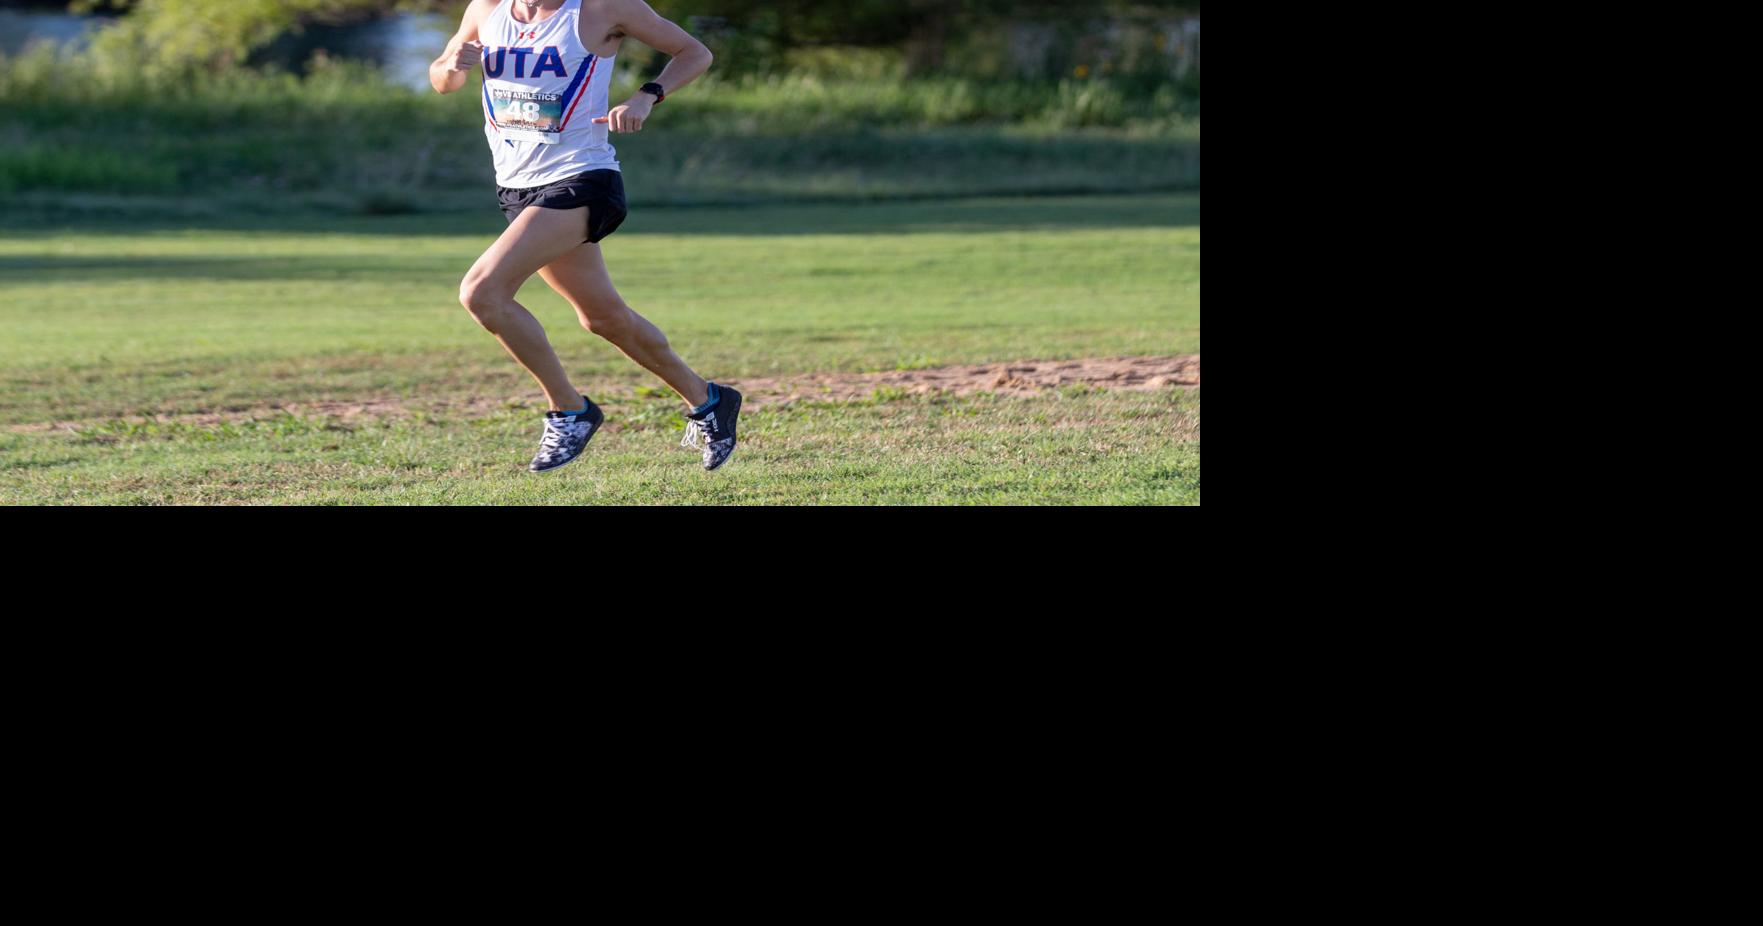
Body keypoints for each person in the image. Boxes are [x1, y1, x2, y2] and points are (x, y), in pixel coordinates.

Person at [429, 0, 742, 473]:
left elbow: (695, 52)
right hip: (517, 188)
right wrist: (453, 65)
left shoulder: (601, 7)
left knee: (482, 292)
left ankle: (569, 410)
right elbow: (443, 81)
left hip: (582, 178)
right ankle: (709, 400)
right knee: (602, 318)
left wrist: (646, 96)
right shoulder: (486, 8)